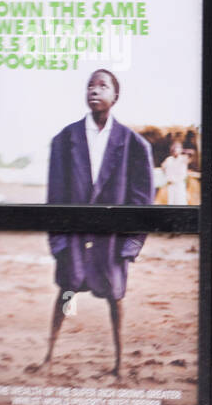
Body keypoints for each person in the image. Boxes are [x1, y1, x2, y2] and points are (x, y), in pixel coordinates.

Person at [29, 69, 154, 377]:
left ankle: (119, 362)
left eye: (103, 86)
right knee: (66, 293)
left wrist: (131, 244)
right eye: (90, 86)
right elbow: (54, 197)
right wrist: (58, 242)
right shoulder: (64, 139)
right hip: (73, 238)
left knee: (115, 298)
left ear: (116, 96)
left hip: (110, 241)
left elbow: (143, 200)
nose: (94, 91)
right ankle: (49, 356)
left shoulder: (134, 145)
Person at [160, 139, 191, 206]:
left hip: (179, 184)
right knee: (171, 202)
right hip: (171, 184)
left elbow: (191, 154)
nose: (175, 150)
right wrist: (167, 176)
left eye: (177, 148)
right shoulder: (169, 159)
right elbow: (163, 167)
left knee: (180, 201)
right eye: (174, 148)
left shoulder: (183, 158)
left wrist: (184, 152)